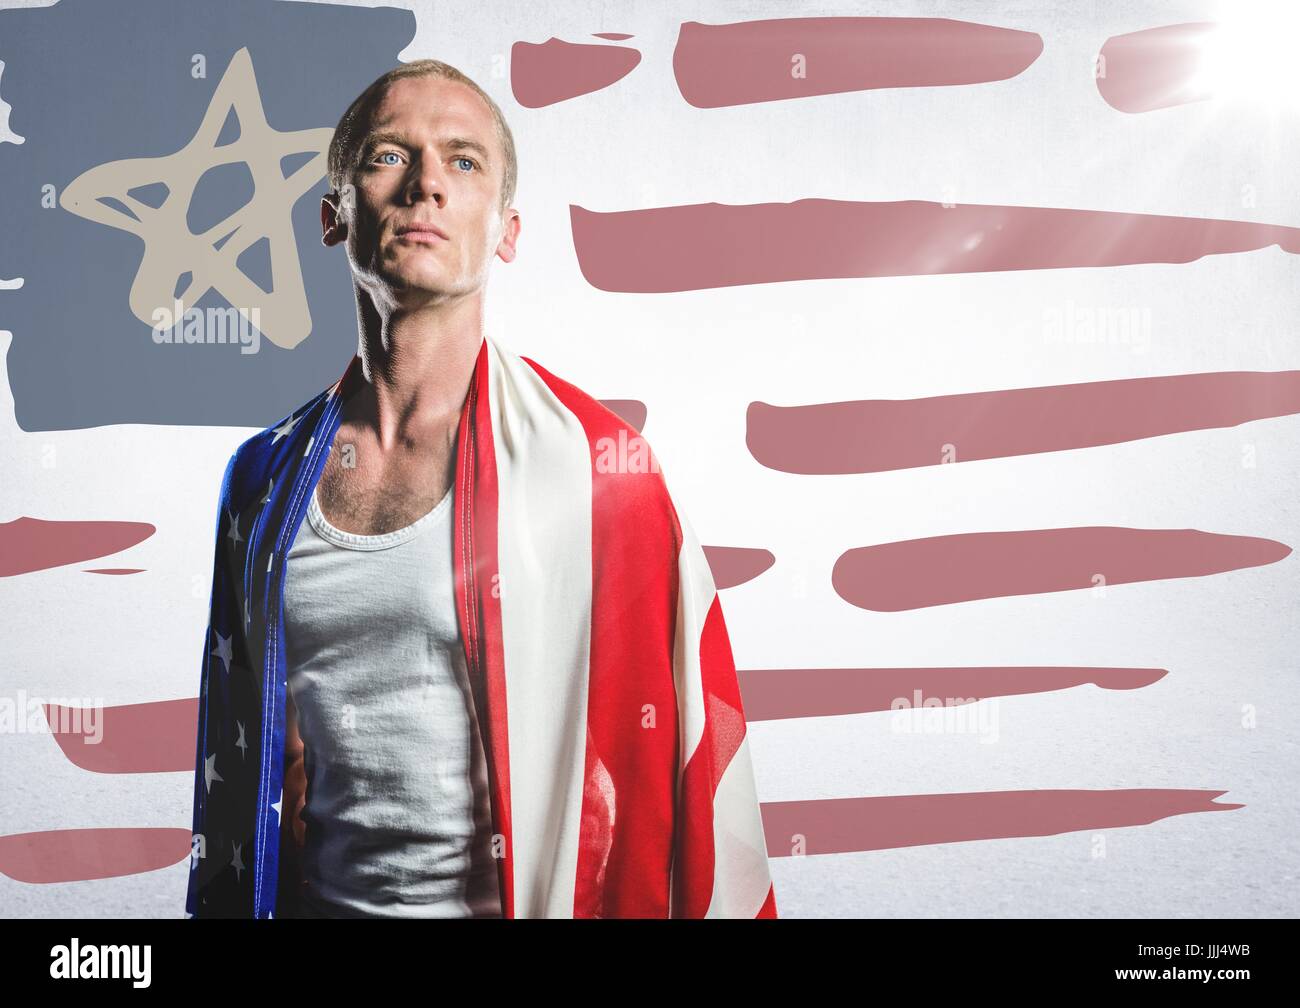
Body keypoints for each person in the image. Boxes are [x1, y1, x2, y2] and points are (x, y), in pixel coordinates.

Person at [185, 60, 777, 919]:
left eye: (464, 163)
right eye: (391, 156)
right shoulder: (261, 482)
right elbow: (240, 778)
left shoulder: (596, 472)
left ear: (506, 228)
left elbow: (671, 775)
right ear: (333, 215)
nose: (427, 183)